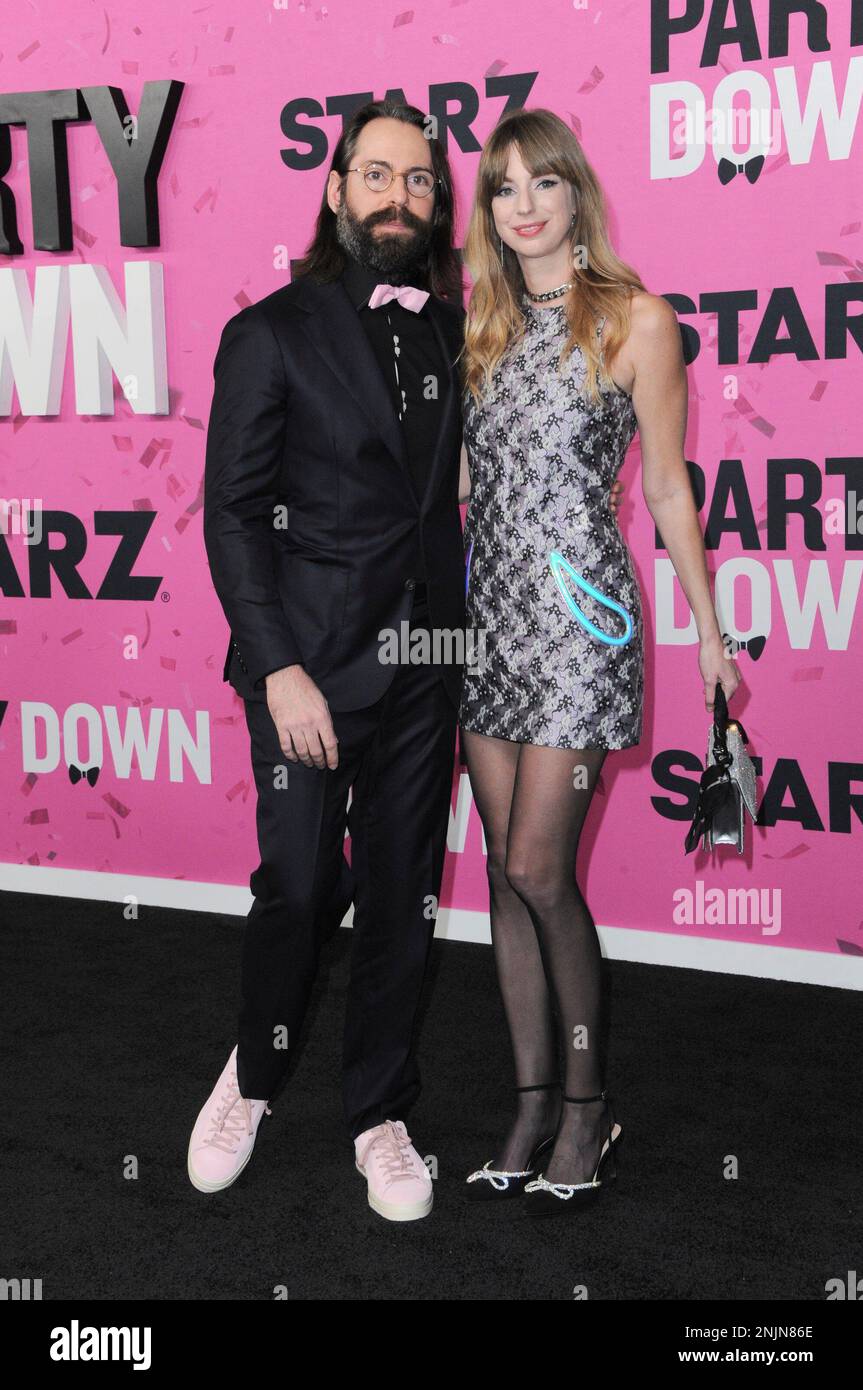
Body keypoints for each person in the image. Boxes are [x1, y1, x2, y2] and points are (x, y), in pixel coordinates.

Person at [192, 99, 622, 1221]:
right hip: (307, 670)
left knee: (402, 899)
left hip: (432, 665)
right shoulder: (269, 331)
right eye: (377, 176)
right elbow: (232, 513)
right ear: (335, 190)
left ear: (438, 205)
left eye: (421, 182)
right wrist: (277, 665)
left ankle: (380, 1110)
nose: (399, 197)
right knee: (295, 884)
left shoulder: (459, 331)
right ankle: (253, 1069)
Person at [457, 107, 741, 1216]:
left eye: (540, 184)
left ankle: (586, 1106)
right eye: (501, 189)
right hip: (489, 624)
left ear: (576, 194)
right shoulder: (475, 322)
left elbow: (667, 488)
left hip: (582, 627)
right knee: (495, 875)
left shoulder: (635, 320)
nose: (521, 206)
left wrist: (710, 636)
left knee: (537, 868)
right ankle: (529, 1104)